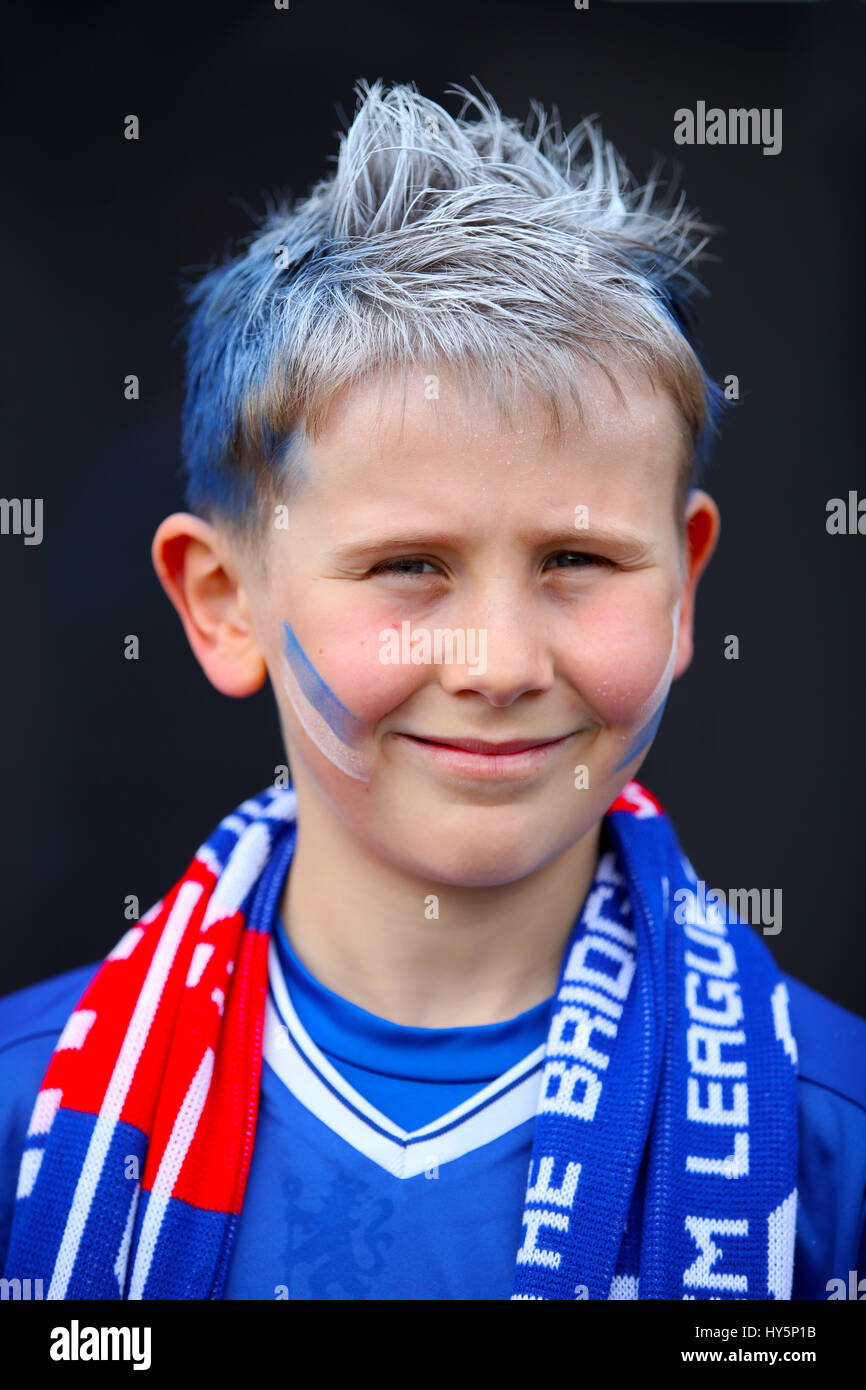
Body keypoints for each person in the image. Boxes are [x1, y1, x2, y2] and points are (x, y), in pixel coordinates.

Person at [1, 78, 864, 1302]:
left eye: (576, 560)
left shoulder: (831, 1144)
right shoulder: (25, 1120)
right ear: (221, 600)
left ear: (683, 585)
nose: (502, 664)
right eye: (409, 567)